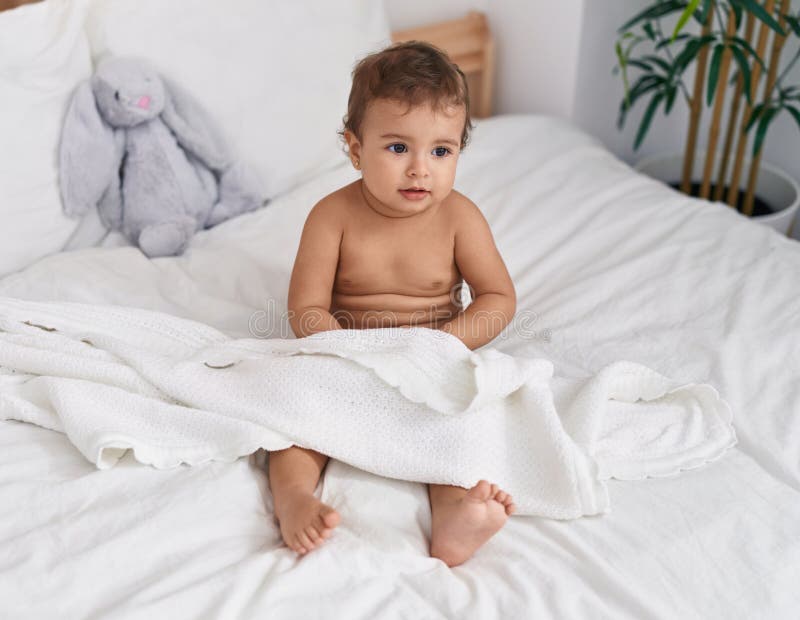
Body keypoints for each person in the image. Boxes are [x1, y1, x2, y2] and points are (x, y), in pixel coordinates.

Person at [269, 41, 517, 568]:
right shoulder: (331, 216)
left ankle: (453, 513)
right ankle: (293, 497)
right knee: (289, 410)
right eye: (398, 147)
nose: (419, 170)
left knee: (461, 419)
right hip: (349, 354)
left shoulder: (460, 218)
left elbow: (498, 298)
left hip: (431, 358)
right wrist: (349, 353)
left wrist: (444, 345)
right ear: (356, 149)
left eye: (441, 151)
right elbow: (306, 309)